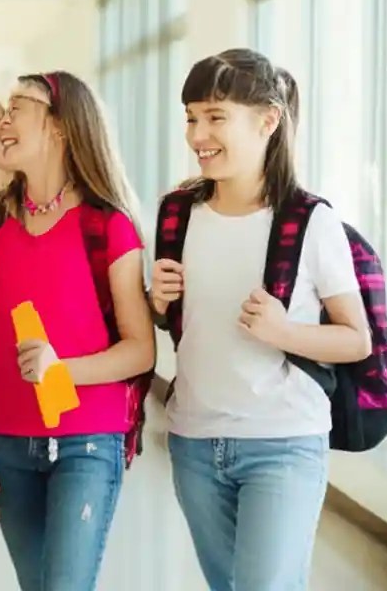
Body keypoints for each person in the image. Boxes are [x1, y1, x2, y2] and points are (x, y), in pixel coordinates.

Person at [150, 49, 371, 591]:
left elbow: (356, 338)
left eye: (215, 117)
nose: (198, 134)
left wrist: (284, 332)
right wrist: (156, 299)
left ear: (268, 121)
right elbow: (179, 321)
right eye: (191, 118)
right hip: (195, 440)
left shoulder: (310, 220)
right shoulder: (177, 211)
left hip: (284, 440)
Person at [0, 71, 155, 591]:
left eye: (19, 106)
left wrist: (61, 368)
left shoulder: (109, 225)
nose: (4, 119)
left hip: (88, 441)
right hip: (5, 442)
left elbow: (140, 349)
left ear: (61, 128)